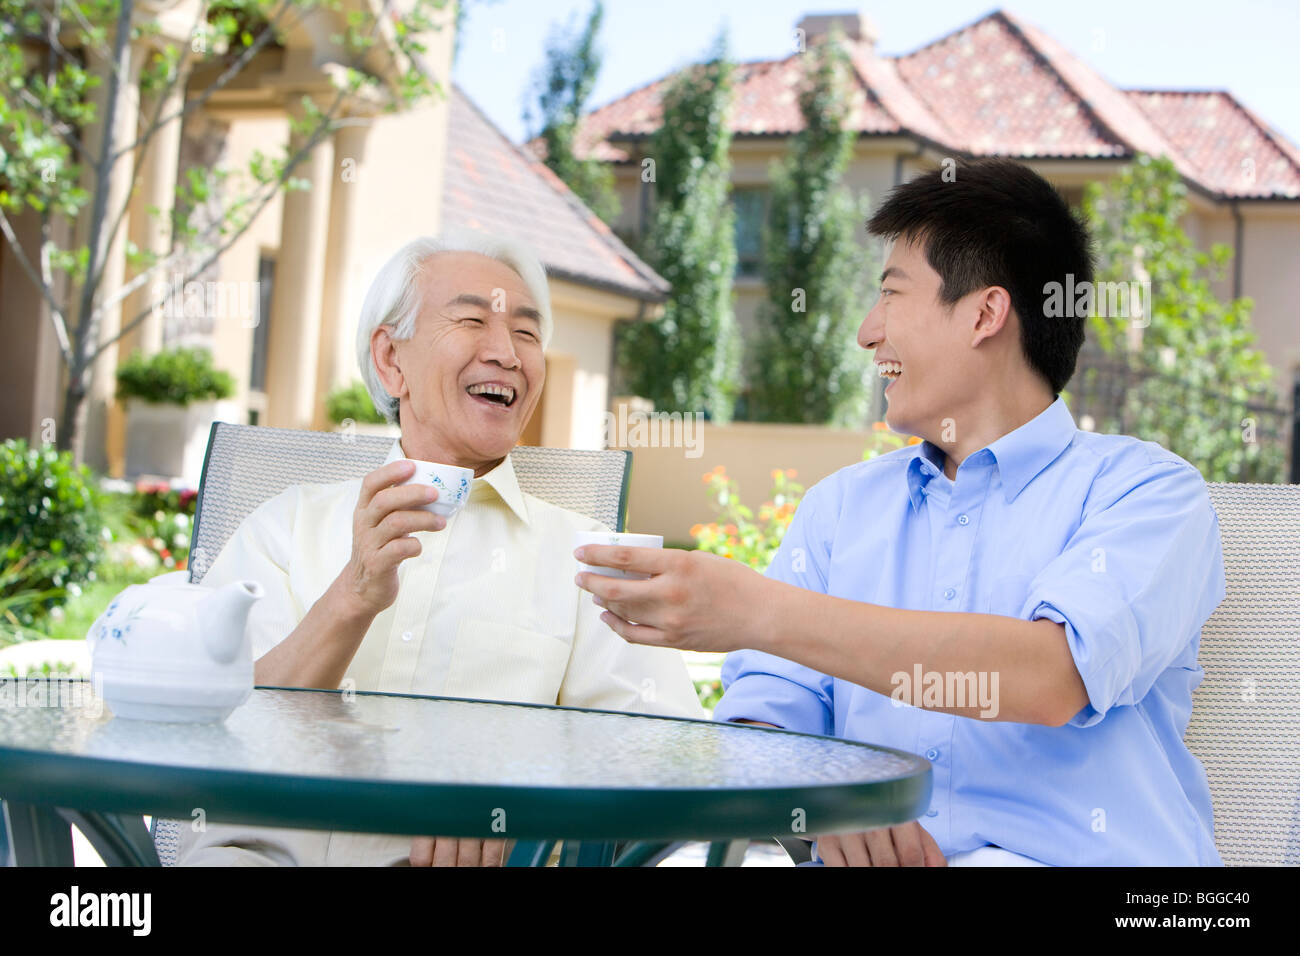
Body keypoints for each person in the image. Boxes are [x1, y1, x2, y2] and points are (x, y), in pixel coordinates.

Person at [574, 159, 1226, 866]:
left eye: (890, 294)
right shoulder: (841, 508)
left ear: (985, 313)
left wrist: (758, 609)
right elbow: (768, 708)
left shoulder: (1147, 492)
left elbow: (1050, 676)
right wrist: (819, 795)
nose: (865, 331)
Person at [177, 233, 705, 867]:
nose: (506, 353)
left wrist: (520, 800)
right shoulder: (285, 526)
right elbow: (208, 735)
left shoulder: (588, 563)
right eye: (472, 320)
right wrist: (352, 597)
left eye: (528, 334)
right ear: (391, 360)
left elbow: (669, 762)